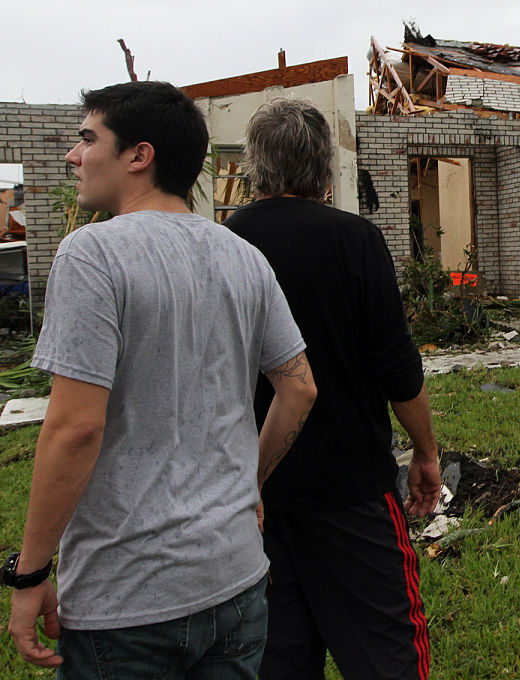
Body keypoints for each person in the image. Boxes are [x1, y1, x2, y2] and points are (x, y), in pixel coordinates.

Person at [6, 81, 316, 676]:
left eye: (86, 139)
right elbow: (299, 386)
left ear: (138, 155)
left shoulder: (90, 256)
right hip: (236, 579)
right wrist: (246, 484)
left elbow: (74, 430)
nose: (74, 156)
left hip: (127, 601)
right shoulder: (243, 256)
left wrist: (30, 573)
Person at [225, 97, 440, 679]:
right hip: (352, 492)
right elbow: (397, 367)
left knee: (279, 660)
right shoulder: (355, 240)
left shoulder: (225, 242)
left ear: (255, 166)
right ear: (324, 169)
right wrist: (425, 451)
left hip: (254, 495)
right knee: (387, 655)